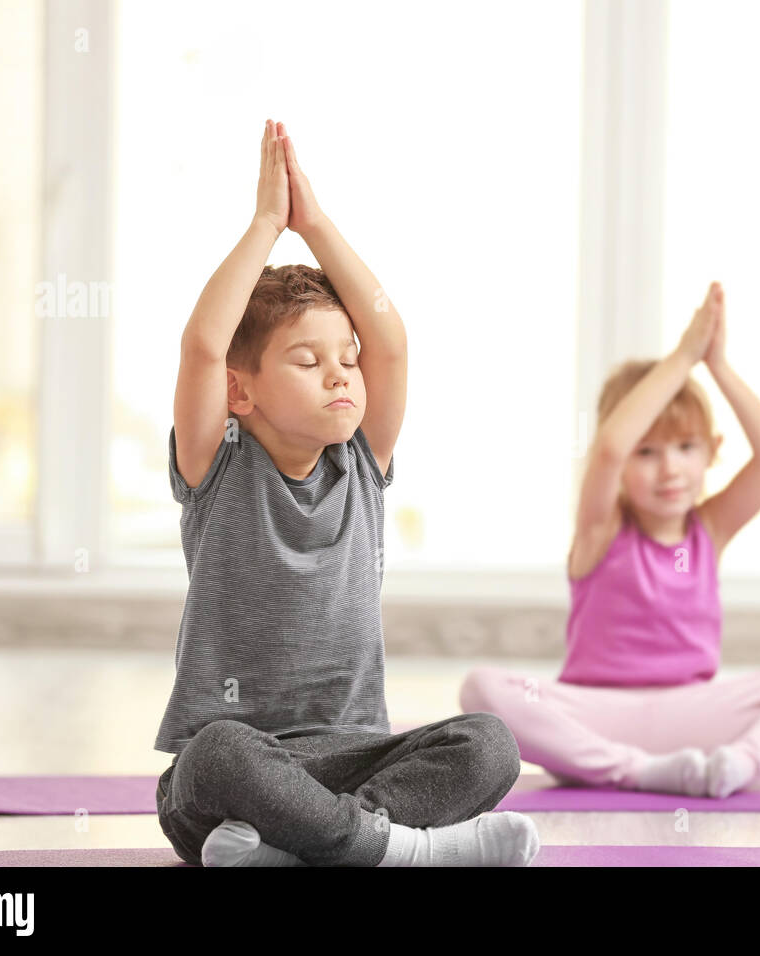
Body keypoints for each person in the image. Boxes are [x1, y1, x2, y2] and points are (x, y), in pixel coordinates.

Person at [153, 119, 538, 866]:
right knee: (219, 753)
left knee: (489, 744)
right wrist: (269, 224)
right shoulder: (218, 468)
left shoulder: (362, 463)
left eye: (345, 360)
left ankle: (315, 845)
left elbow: (390, 340)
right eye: (307, 359)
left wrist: (318, 224)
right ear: (241, 391)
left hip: (359, 760)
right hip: (237, 774)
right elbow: (203, 343)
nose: (341, 374)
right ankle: (401, 851)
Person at [461, 282, 760, 798]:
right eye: (647, 453)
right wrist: (684, 356)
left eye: (685, 448)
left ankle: (741, 763)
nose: (670, 470)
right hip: (597, 718)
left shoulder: (710, 529)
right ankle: (634, 771)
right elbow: (608, 448)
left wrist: (718, 365)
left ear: (711, 451)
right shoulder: (601, 530)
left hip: (695, 715)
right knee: (480, 689)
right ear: (623, 465)